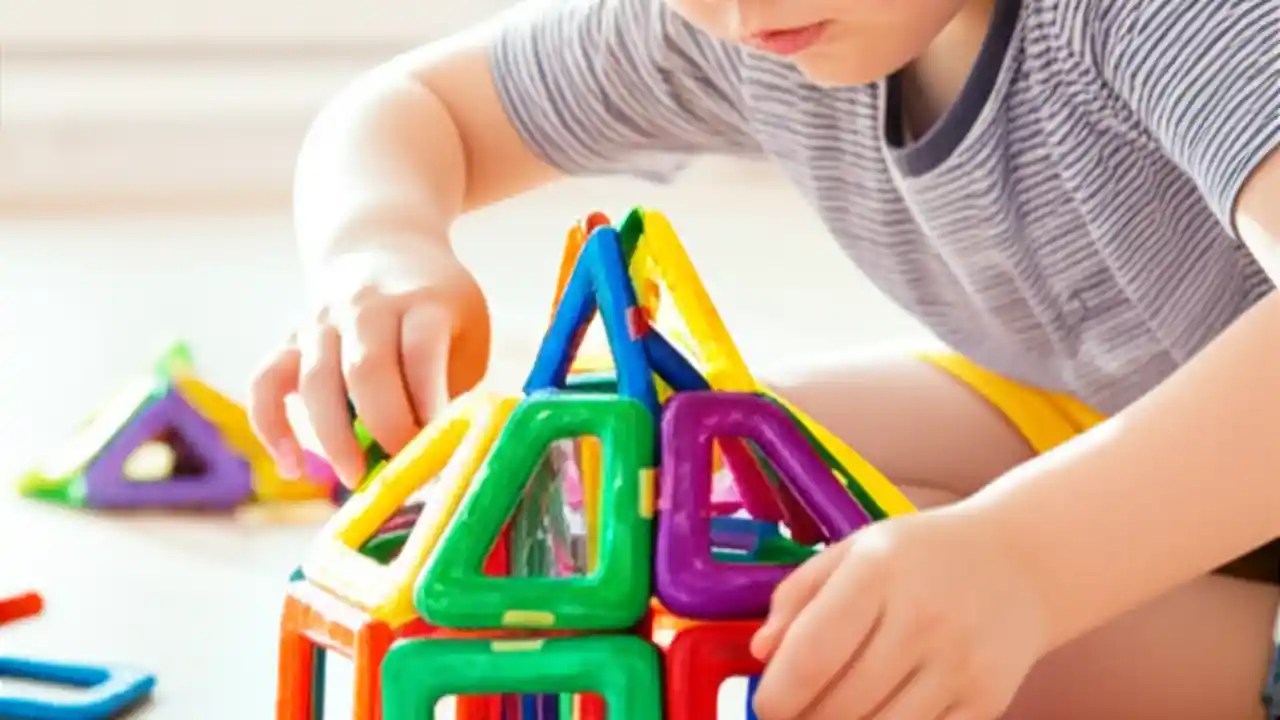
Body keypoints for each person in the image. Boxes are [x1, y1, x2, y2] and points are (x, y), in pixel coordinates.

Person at [248, 0, 1280, 716]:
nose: (739, 14)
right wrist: (376, 251)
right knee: (654, 494)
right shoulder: (746, 27)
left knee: (871, 668)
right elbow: (411, 109)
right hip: (1104, 404)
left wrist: (1027, 563)